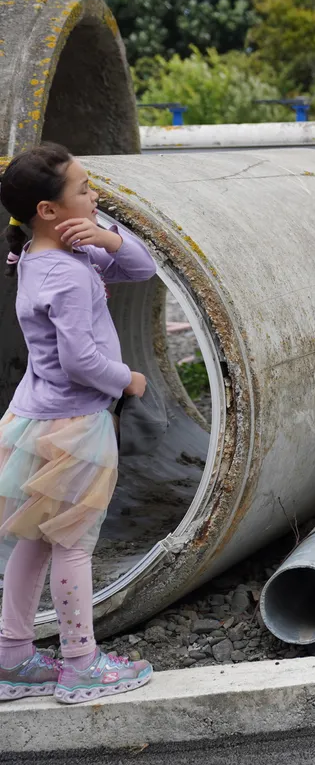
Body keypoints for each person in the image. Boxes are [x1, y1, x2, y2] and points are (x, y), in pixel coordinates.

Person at [0, 143, 157, 704]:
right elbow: (79, 360)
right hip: (74, 425)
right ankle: (81, 661)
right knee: (72, 545)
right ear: (47, 209)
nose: (95, 197)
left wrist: (108, 238)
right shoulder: (67, 274)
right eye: (85, 190)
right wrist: (129, 380)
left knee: (34, 540)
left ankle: (13, 656)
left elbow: (144, 266)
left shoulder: (44, 256)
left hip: (32, 419)